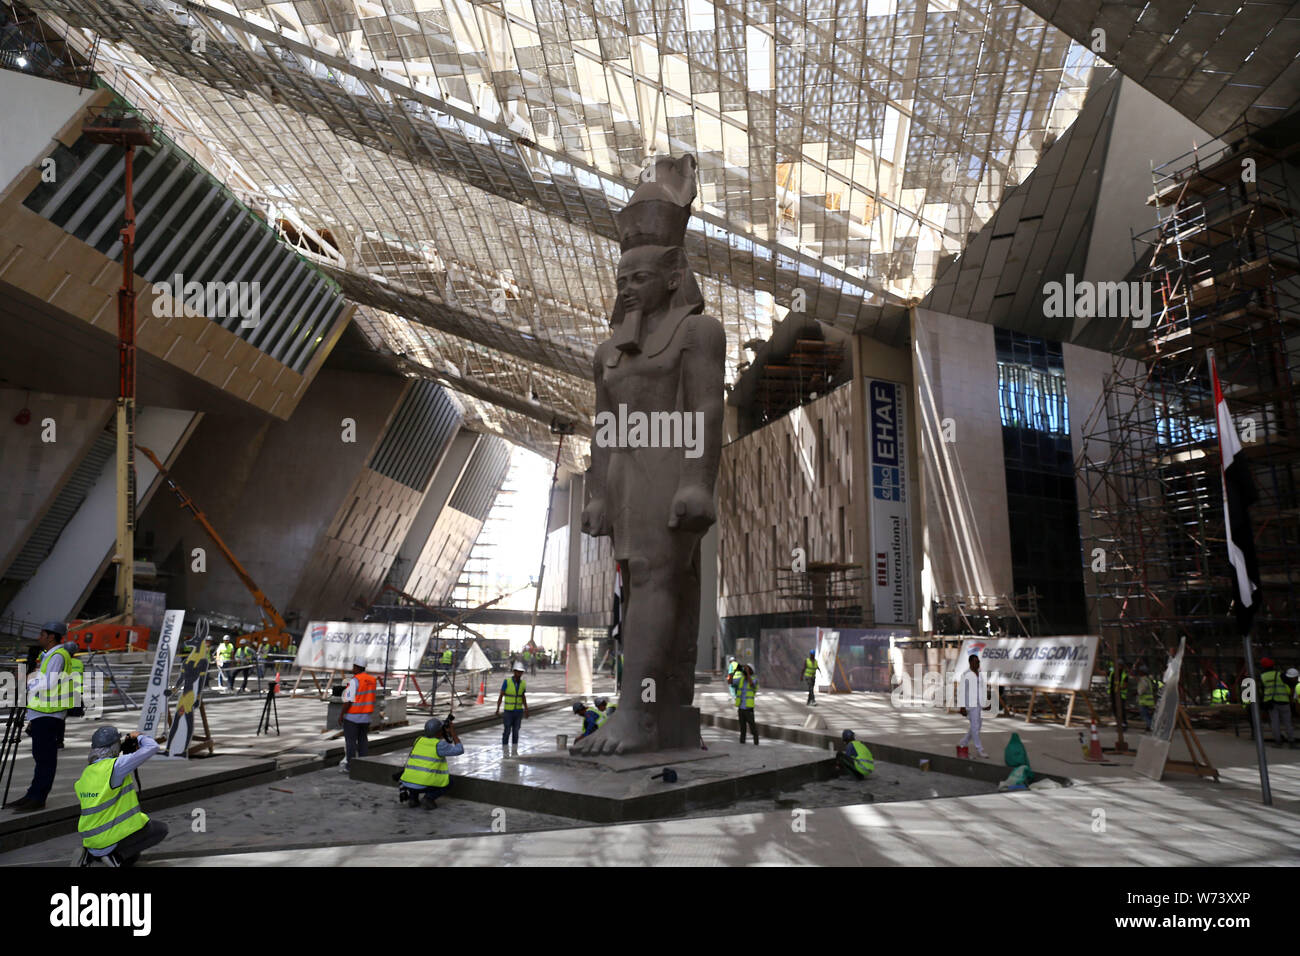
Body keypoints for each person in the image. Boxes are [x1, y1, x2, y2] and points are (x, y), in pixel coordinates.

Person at [76, 726, 169, 865]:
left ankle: (90, 855)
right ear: (114, 747)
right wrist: (138, 736)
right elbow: (152, 747)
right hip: (108, 839)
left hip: (90, 839)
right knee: (160, 829)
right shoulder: (116, 766)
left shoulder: (87, 773)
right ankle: (115, 857)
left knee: (133, 857)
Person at [11, 621, 75, 811]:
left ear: (51, 636)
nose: (39, 637)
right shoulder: (48, 655)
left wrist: (27, 683)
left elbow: (48, 683)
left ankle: (38, 797)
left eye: (42, 634)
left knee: (45, 758)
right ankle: (32, 794)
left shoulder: (57, 655)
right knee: (40, 756)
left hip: (50, 713)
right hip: (42, 712)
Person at [398, 718, 464, 809]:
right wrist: (452, 731)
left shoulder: (418, 740)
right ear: (438, 732)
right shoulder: (439, 745)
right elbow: (459, 749)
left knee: (417, 775)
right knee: (449, 781)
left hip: (408, 782)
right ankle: (429, 798)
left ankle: (413, 799)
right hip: (423, 785)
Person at [338, 657, 377, 772]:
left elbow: (348, 700)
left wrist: (341, 715)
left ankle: (350, 767)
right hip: (366, 718)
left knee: (351, 743)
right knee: (363, 741)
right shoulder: (372, 680)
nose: (352, 668)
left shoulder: (354, 681)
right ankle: (363, 766)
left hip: (352, 718)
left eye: (353, 666)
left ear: (357, 667)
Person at [957, 654, 989, 759]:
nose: (978, 663)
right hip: (970, 705)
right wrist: (962, 707)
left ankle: (963, 743)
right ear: (970, 662)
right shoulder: (966, 675)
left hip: (978, 704)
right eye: (976, 662)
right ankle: (980, 749)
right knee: (975, 727)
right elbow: (961, 691)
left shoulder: (980, 674)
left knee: (978, 726)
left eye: (978, 662)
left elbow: (982, 689)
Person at [495, 662, 529, 755]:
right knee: (507, 731)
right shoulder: (507, 682)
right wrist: (497, 708)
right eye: (518, 672)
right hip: (508, 711)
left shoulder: (523, 683)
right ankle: (505, 751)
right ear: (514, 672)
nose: (519, 674)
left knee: (516, 731)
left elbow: (523, 696)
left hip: (518, 711)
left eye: (521, 672)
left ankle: (514, 751)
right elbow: (501, 695)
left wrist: (526, 708)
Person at [1259, 658, 1294, 748]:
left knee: (1275, 723)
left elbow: (1262, 690)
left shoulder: (1262, 676)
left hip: (1271, 703)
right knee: (1287, 722)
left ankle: (1278, 742)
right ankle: (1291, 742)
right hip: (1283, 701)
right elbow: (1290, 684)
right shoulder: (1280, 675)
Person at [735, 664, 758, 745]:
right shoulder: (741, 679)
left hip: (748, 708)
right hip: (741, 708)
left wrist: (747, 673)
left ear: (751, 670)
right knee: (742, 728)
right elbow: (730, 681)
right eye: (745, 669)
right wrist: (734, 672)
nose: (745, 670)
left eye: (747, 669)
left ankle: (756, 743)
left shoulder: (754, 679)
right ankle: (742, 742)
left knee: (752, 727)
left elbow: (752, 684)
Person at [1136, 663, 1162, 732]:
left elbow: (1142, 690)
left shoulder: (1143, 680)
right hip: (1148, 701)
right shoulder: (1148, 679)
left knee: (1144, 714)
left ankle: (1150, 726)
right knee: (1147, 714)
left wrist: (1138, 692)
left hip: (1144, 701)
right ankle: (1149, 725)